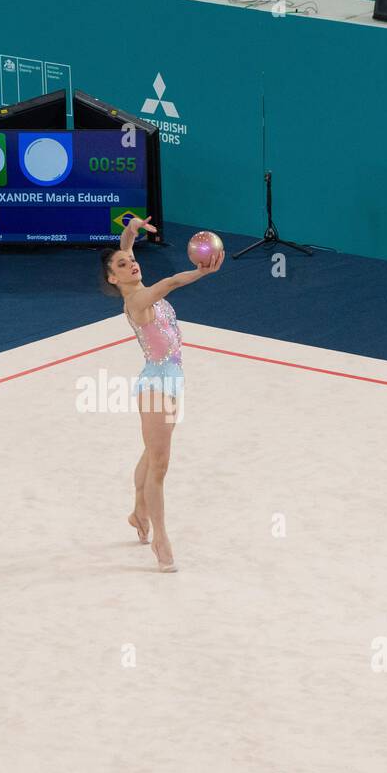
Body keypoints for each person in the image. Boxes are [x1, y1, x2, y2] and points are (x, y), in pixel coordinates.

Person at [101, 216, 224, 573]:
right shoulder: (138, 301)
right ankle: (161, 538)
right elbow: (170, 282)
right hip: (155, 385)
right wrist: (202, 272)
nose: (131, 262)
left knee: (154, 453)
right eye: (122, 265)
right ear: (113, 279)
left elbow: (125, 243)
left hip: (172, 380)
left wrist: (133, 229)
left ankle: (138, 511)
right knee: (160, 464)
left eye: (132, 260)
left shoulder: (132, 277)